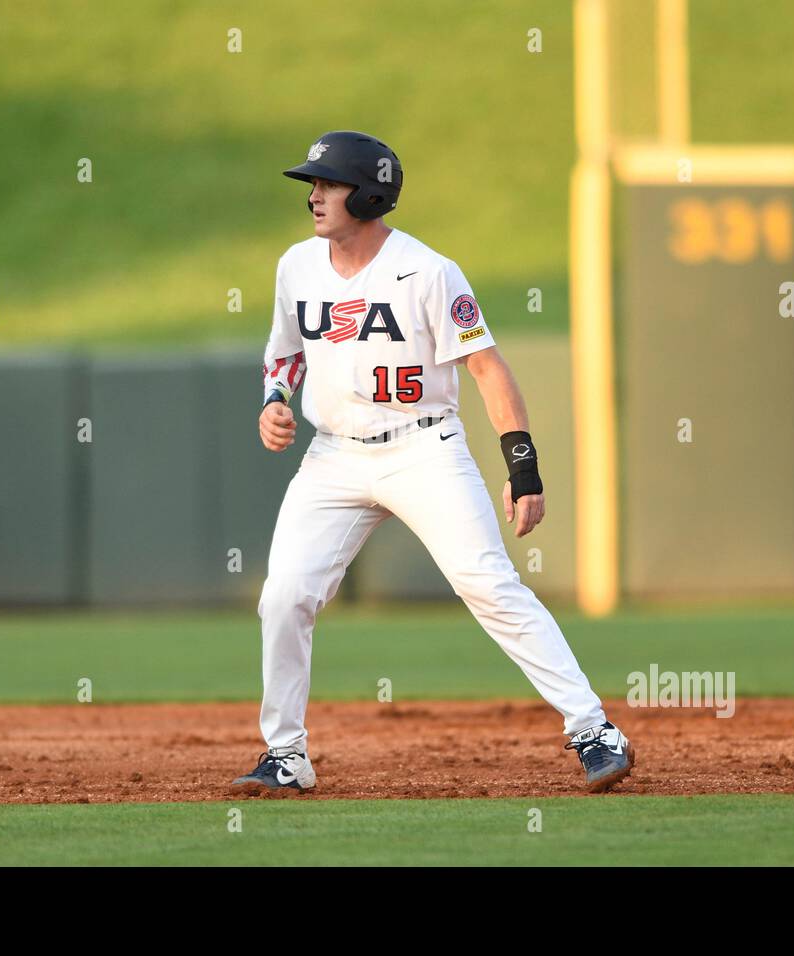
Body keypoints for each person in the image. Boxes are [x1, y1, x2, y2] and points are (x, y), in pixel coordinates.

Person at [231, 130, 634, 795]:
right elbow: (286, 353)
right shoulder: (295, 266)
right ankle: (286, 756)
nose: (314, 197)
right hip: (333, 456)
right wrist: (275, 399)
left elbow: (486, 366)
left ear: (368, 192)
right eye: (312, 185)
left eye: (328, 184)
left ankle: (594, 729)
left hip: (424, 449)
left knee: (487, 582)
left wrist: (523, 467)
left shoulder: (427, 271)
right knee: (283, 596)